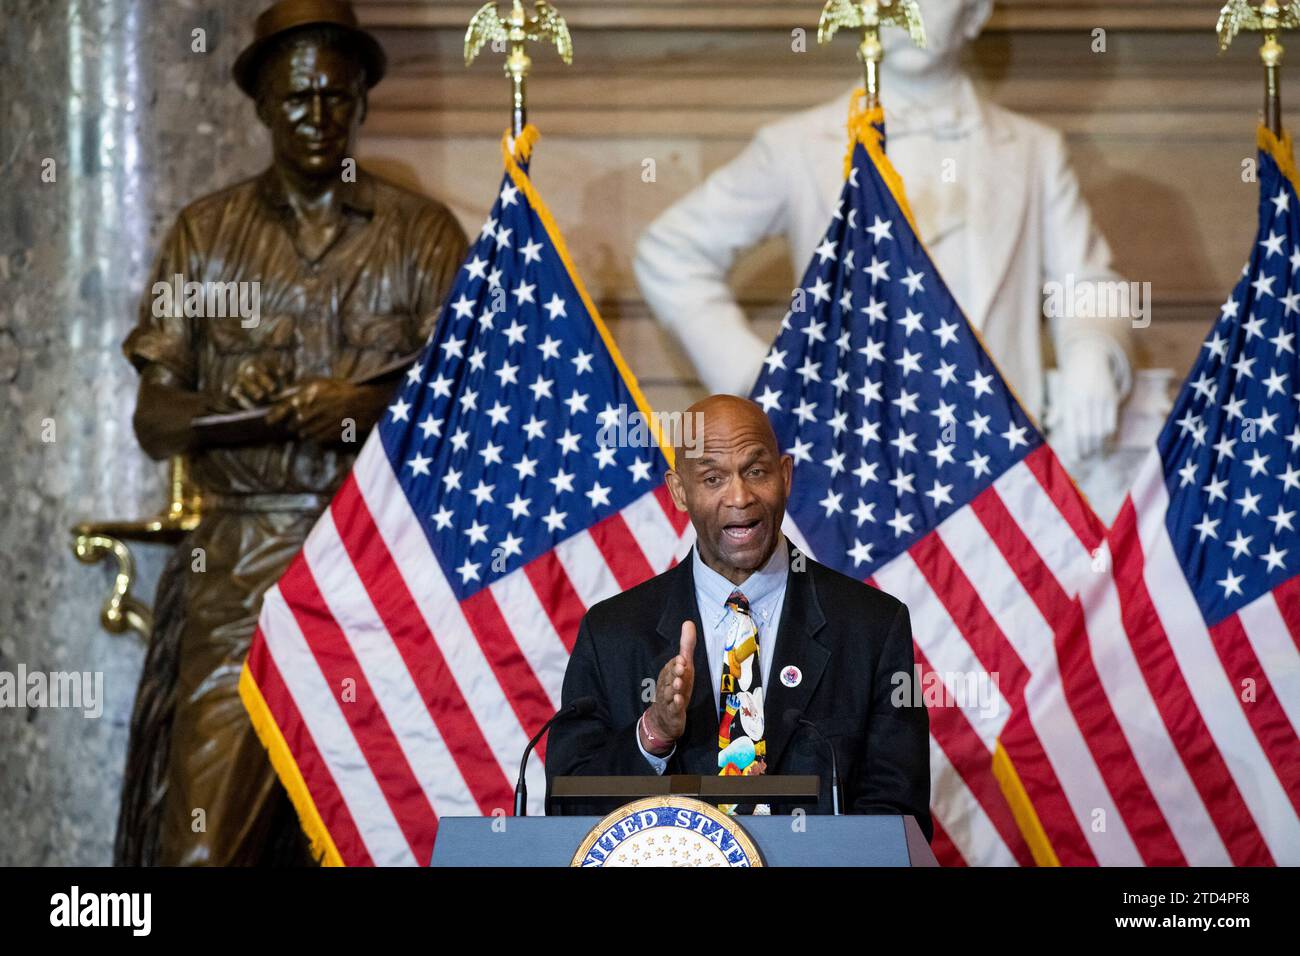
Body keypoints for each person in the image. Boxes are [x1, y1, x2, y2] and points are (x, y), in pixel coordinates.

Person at [117, 0, 468, 865]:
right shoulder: (206, 236)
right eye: (299, 100)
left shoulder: (422, 236)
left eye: (337, 98)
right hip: (242, 558)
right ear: (264, 106)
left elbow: (466, 414)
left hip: (380, 555)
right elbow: (154, 423)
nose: (320, 118)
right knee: (201, 837)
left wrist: (363, 409)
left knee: (390, 835)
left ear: (361, 102)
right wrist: (223, 403)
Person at [633, 0, 1135, 462]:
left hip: (997, 452)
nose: (905, 6)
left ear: (977, 13)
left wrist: (1091, 349)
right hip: (851, 457)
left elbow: (1086, 279)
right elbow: (670, 251)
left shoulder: (1034, 152)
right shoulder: (796, 146)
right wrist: (761, 379)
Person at [545, 395, 931, 838]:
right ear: (679, 491)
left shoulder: (873, 626)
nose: (740, 497)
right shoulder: (612, 632)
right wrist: (652, 734)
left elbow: (901, 819)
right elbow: (565, 807)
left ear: (784, 477)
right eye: (712, 478)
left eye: (756, 471)